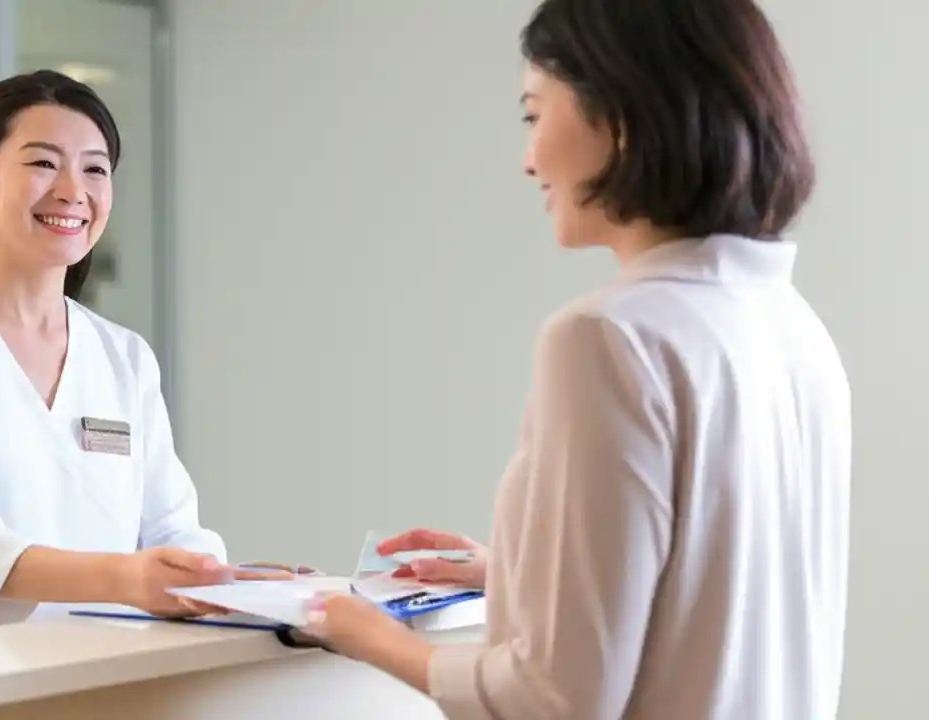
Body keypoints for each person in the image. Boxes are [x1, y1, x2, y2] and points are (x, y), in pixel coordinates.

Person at [305, 1, 850, 718]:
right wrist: (526, 577)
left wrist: (364, 633)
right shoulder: (793, 327)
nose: (528, 159)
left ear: (618, 115)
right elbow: (723, 597)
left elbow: (552, 701)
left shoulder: (607, 337)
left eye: (534, 115)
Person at [0, 70, 286, 638]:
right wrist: (125, 579)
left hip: (101, 678)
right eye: (43, 163)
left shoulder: (125, 357)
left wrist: (228, 581)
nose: (73, 190)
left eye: (95, 168)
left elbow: (169, 527)